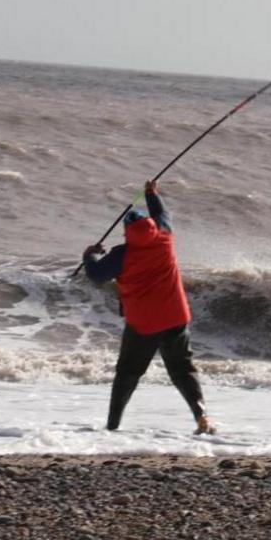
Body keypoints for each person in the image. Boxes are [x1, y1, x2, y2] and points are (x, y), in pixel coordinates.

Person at [82, 179, 214, 435]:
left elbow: (97, 275)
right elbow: (162, 213)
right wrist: (151, 193)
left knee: (128, 374)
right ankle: (202, 417)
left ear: (127, 232)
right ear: (152, 227)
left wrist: (89, 255)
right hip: (176, 317)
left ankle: (112, 425)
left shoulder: (122, 254)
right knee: (183, 370)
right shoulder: (164, 236)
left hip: (143, 324)